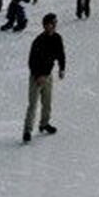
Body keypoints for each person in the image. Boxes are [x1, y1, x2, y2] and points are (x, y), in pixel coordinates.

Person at [23, 13, 65, 142]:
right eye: (53, 23)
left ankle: (44, 124)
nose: (54, 26)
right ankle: (27, 130)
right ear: (46, 25)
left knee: (47, 103)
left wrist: (61, 68)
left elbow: (61, 54)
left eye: (55, 23)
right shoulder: (38, 41)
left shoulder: (57, 38)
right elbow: (32, 61)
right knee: (33, 104)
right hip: (36, 78)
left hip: (48, 76)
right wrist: (38, 76)